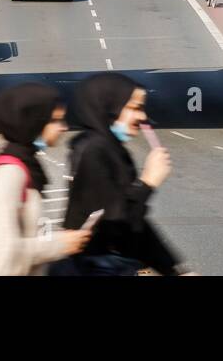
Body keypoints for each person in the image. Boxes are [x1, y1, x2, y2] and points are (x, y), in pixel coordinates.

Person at [60, 72, 184, 276]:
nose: (142, 116)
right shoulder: (93, 150)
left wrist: (174, 270)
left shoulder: (114, 151)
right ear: (109, 107)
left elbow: (137, 225)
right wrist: (148, 182)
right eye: (134, 108)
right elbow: (115, 220)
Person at [0, 83, 89, 275]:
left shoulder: (26, 166)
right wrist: (59, 245)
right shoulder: (10, 174)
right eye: (55, 120)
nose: (64, 128)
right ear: (34, 123)